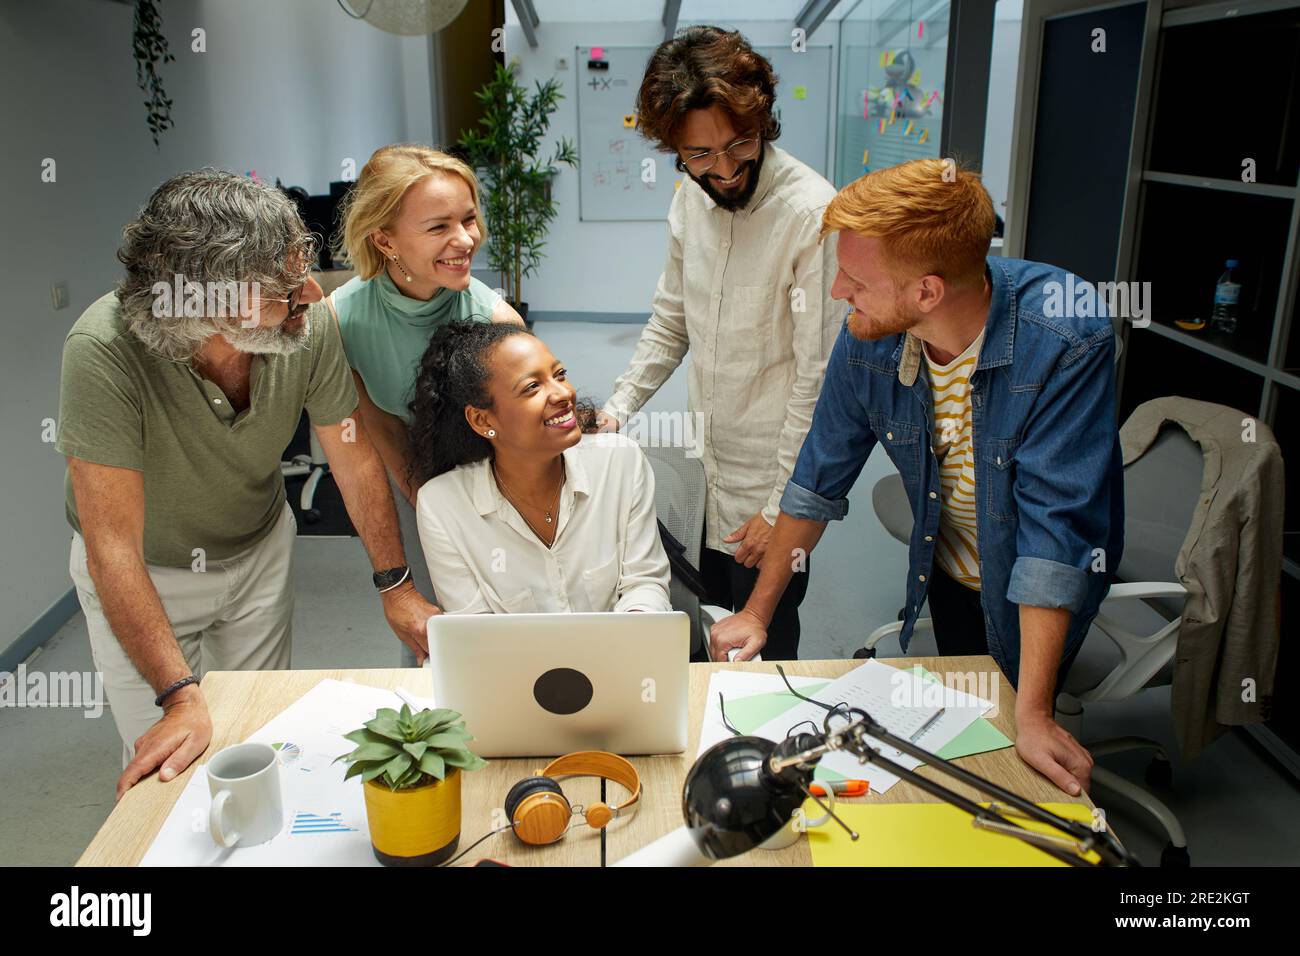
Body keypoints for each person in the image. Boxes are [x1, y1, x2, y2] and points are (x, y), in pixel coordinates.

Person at [710, 159, 1125, 797]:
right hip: (949, 562)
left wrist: (1036, 714)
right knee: (967, 730)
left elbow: (1053, 542)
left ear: (927, 293)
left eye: (854, 279)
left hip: (1030, 582)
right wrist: (755, 613)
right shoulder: (869, 334)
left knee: (1010, 743)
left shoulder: (1064, 337)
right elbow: (817, 477)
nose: (837, 291)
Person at [56, 169, 438, 798]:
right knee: (172, 765)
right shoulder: (103, 351)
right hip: (147, 573)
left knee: (254, 741)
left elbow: (353, 459)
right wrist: (180, 696)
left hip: (258, 551)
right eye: (285, 287)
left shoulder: (304, 325)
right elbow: (112, 546)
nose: (312, 293)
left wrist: (395, 586)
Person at [595, 26, 841, 660]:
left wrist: (780, 509)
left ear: (762, 122)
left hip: (770, 484)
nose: (726, 171)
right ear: (674, 148)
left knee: (764, 652)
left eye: (740, 144)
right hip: (703, 476)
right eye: (700, 154)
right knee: (700, 636)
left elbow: (818, 379)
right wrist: (618, 409)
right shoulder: (689, 201)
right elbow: (671, 320)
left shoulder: (812, 214)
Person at [329, 144, 525, 664]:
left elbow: (523, 442)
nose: (465, 239)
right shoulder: (342, 321)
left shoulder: (496, 323)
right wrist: (427, 501)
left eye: (469, 219)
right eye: (439, 227)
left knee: (512, 614)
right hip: (406, 476)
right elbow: (377, 425)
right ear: (384, 239)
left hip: (496, 473)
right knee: (431, 629)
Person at [411, 322, 671, 615]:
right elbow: (474, 629)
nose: (563, 393)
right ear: (483, 420)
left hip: (623, 644)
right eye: (532, 387)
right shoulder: (443, 506)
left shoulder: (619, 461)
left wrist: (634, 627)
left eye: (559, 374)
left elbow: (644, 583)